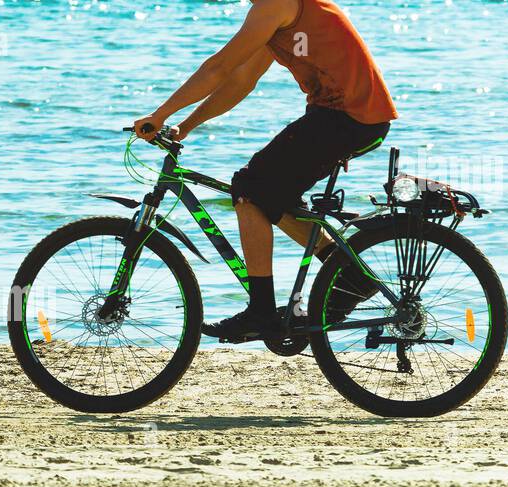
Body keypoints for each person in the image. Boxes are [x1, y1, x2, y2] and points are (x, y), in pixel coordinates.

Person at [133, 0, 397, 340]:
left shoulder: (277, 3)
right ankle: (352, 277)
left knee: (248, 188)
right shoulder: (277, 15)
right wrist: (185, 126)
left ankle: (261, 311)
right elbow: (242, 79)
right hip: (349, 118)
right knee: (269, 195)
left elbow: (219, 67)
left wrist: (161, 113)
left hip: (348, 118)